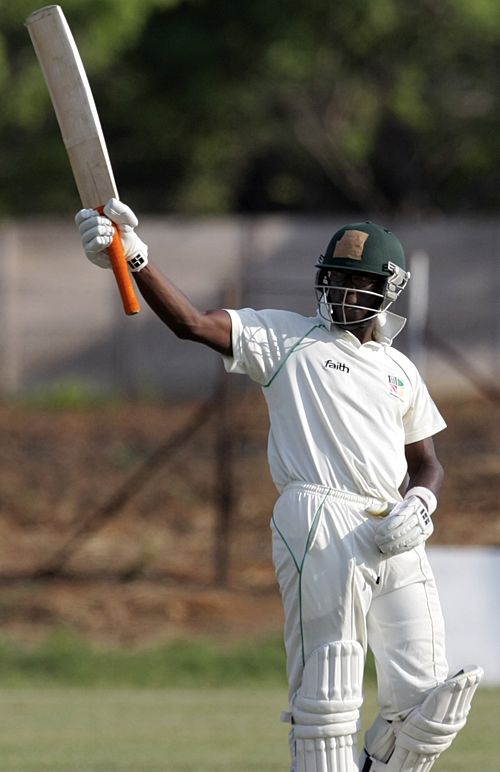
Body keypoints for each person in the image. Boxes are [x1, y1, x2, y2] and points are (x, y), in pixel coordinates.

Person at [76, 200, 482, 772]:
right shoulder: (285, 336)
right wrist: (134, 256)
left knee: (429, 706)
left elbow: (427, 463)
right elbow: (192, 323)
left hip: (395, 526)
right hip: (319, 515)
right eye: (334, 278)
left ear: (389, 290)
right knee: (329, 695)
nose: (342, 291)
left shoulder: (401, 370)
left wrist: (422, 501)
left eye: (358, 281)